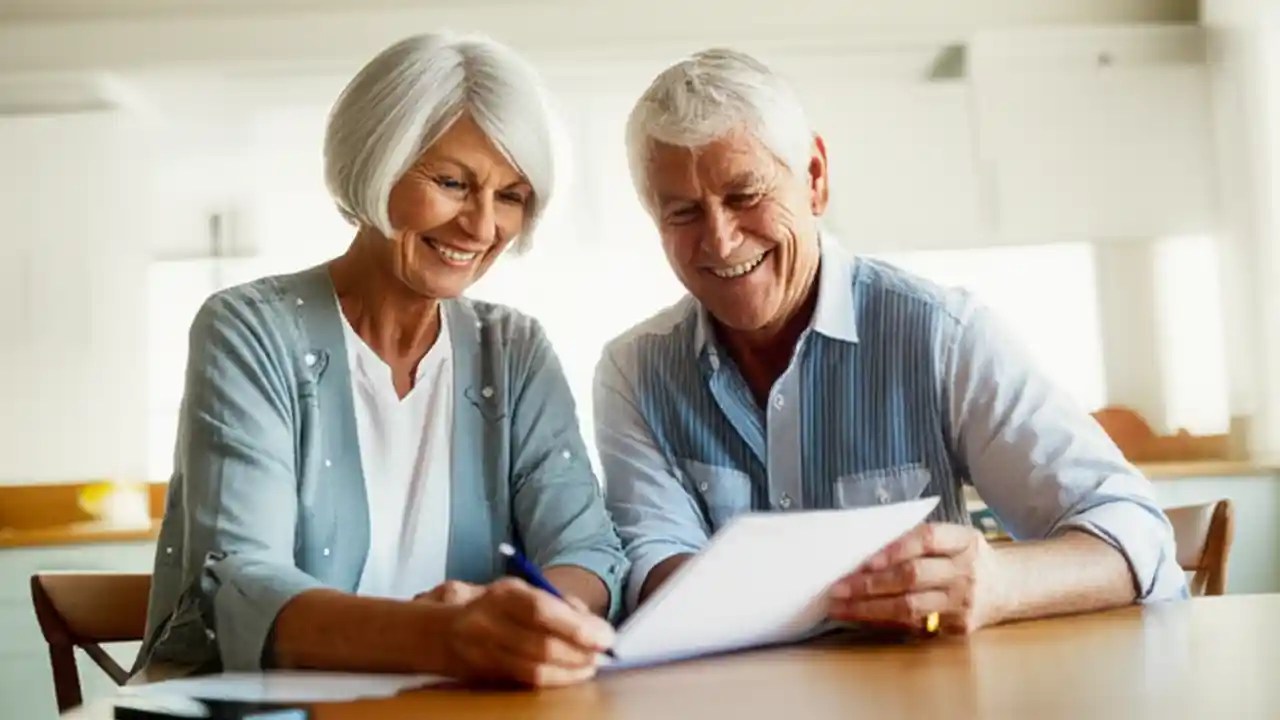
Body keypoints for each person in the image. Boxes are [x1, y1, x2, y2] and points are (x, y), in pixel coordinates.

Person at [595, 48, 1187, 634]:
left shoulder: (943, 335)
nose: (720, 242)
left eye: (745, 196)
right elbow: (657, 573)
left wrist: (1001, 584)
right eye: (683, 213)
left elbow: (1134, 532)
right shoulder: (633, 371)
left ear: (816, 179)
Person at [134, 32, 627, 688]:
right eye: (452, 182)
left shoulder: (514, 350)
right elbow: (239, 581)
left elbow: (588, 552)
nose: (481, 228)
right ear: (377, 161)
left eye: (509, 195)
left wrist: (538, 623)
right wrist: (449, 637)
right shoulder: (250, 329)